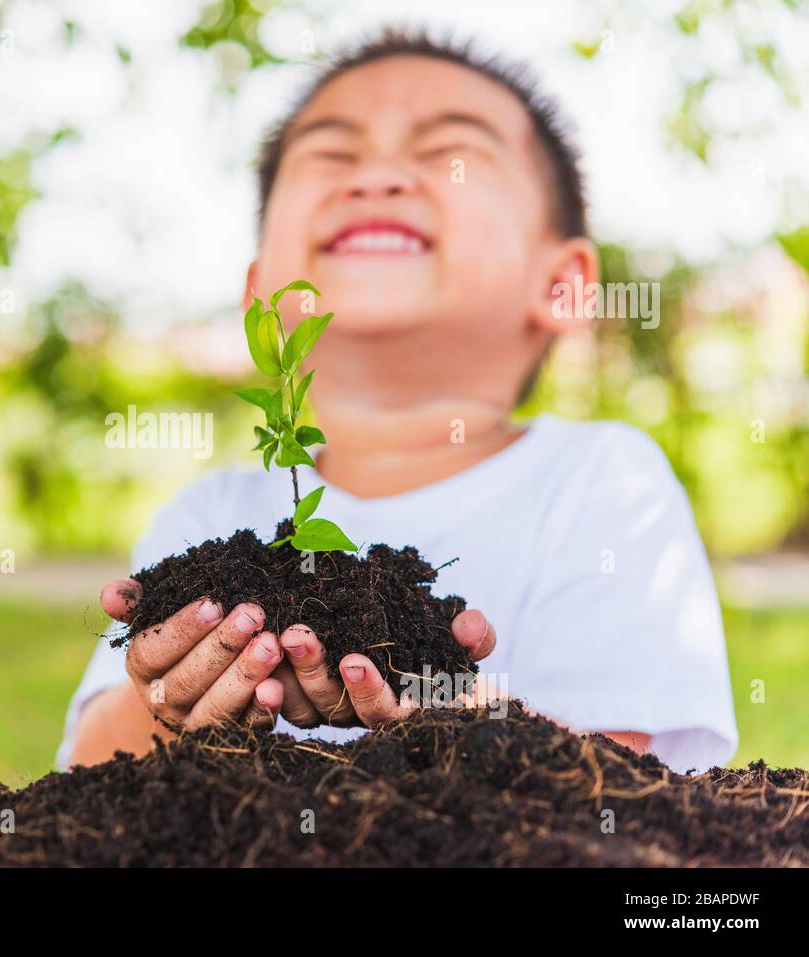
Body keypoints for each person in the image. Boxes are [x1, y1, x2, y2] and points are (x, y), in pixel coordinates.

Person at [58, 29, 737, 775]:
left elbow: (624, 786)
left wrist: (453, 716)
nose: (375, 177)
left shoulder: (603, 483)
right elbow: (86, 773)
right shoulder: (206, 517)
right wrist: (164, 706)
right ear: (259, 293)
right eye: (331, 155)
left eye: (447, 152)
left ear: (560, 284)